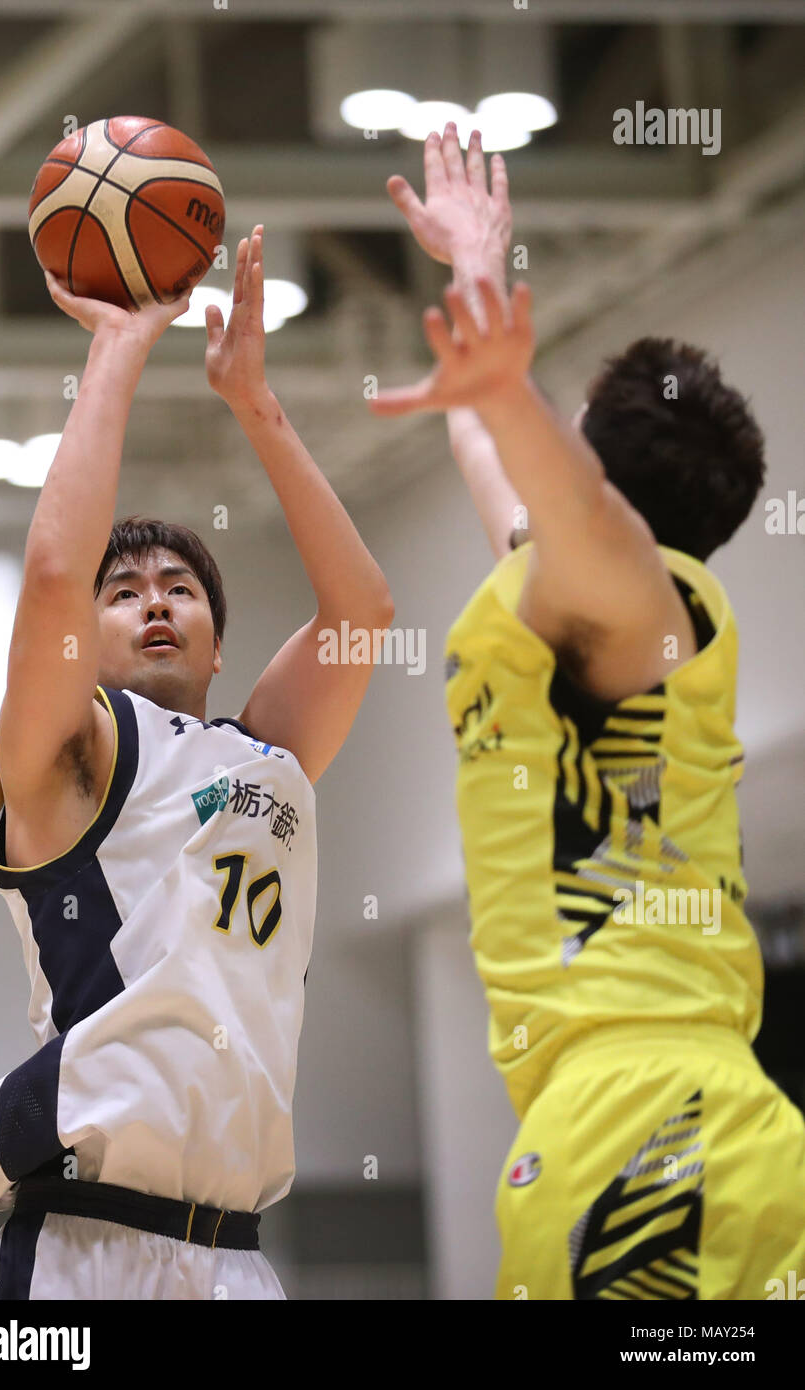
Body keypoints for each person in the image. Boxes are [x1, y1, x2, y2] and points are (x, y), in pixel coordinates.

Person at [372, 124, 805, 1300]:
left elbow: (588, 528)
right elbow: (483, 449)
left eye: (555, 427)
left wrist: (505, 391)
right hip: (638, 1113)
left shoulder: (642, 610)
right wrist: (474, 263)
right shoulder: (553, 596)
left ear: (594, 473)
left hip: (650, 1126)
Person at [0, 227, 394, 1300]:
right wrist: (120, 338)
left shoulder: (266, 759)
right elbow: (56, 571)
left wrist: (255, 403)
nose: (153, 597)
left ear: (215, 640)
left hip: (239, 1254)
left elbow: (362, 611)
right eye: (125, 592)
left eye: (179, 586)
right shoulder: (70, 765)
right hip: (79, 1247)